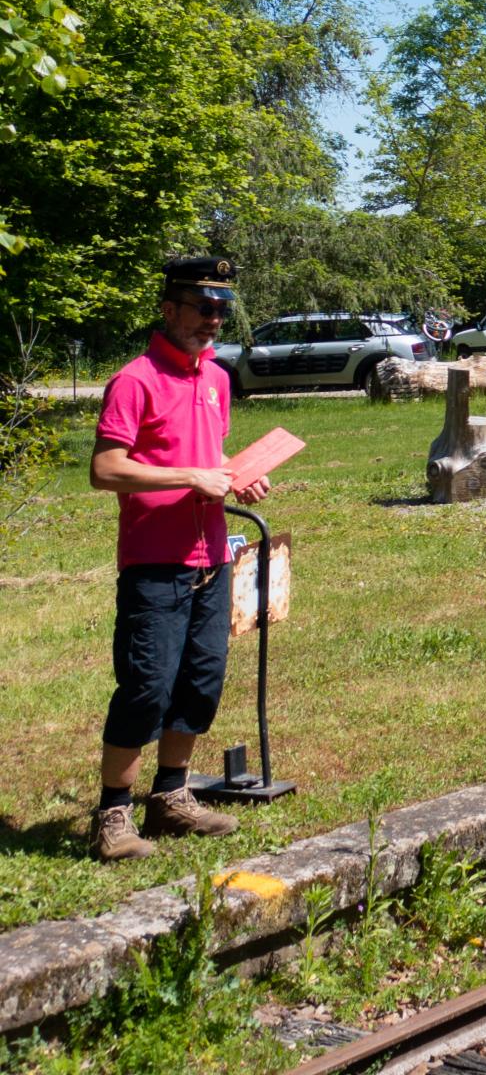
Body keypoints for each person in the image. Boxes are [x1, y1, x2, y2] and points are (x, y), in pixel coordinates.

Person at [86, 257, 271, 862]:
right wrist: (192, 477)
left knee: (200, 683)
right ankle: (113, 812)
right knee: (145, 687)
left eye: (222, 309)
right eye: (202, 308)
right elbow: (106, 469)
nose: (213, 320)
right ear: (169, 310)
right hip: (155, 562)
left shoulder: (216, 379)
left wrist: (234, 478)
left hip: (212, 558)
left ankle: (171, 797)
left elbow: (206, 462)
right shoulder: (135, 380)